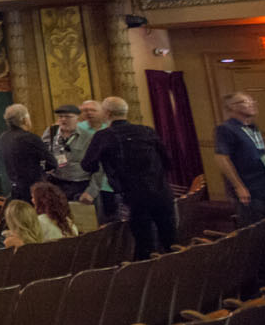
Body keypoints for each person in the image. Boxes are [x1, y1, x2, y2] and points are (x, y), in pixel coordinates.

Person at [81, 96, 175, 260]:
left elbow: (88, 165)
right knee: (170, 240)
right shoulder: (147, 131)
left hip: (135, 196)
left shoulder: (104, 136)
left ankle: (148, 281)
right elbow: (167, 161)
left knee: (144, 245)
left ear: (107, 113)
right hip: (162, 192)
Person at [214, 91, 265, 226]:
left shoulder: (252, 127)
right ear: (233, 107)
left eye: (252, 101)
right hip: (248, 186)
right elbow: (222, 158)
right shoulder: (225, 129)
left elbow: (263, 155)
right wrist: (239, 186)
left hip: (264, 184)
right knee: (254, 228)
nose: (252, 104)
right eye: (246, 102)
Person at [0, 103, 55, 203]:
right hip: (34, 191)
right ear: (24, 120)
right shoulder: (31, 138)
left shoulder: (4, 137)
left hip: (15, 190)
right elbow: (52, 163)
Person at [42, 103, 95, 202]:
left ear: (77, 119)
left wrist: (91, 191)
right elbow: (42, 154)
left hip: (79, 185)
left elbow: (98, 168)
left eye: (68, 117)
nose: (63, 119)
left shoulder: (88, 137)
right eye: (60, 116)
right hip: (56, 182)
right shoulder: (51, 132)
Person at [78, 98, 116, 222]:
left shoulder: (110, 129)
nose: (89, 113)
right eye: (85, 110)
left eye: (93, 110)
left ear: (102, 112)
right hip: (88, 185)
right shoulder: (78, 129)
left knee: (113, 220)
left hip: (111, 184)